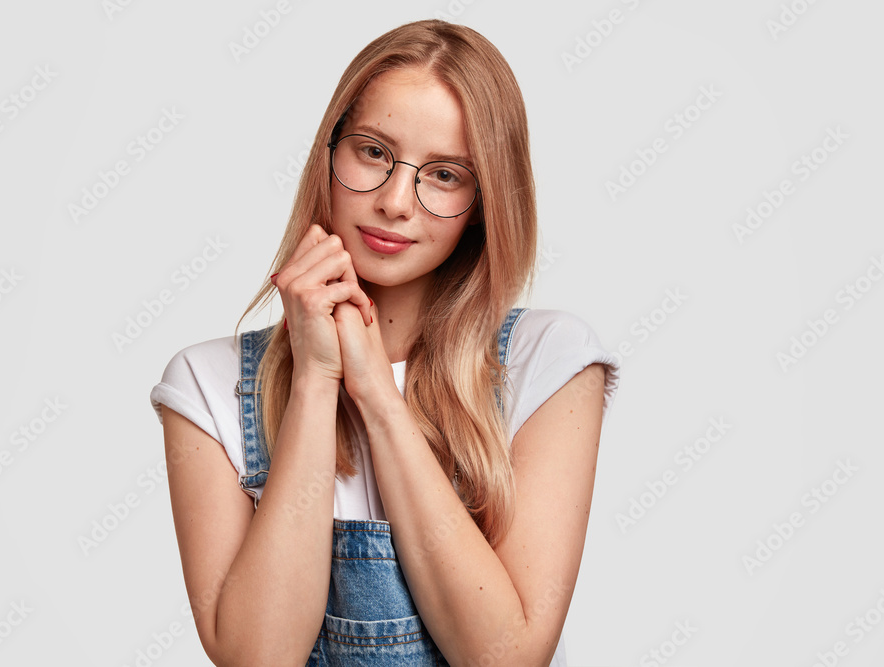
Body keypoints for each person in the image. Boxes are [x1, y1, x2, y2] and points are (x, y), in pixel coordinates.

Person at [150, 19, 620, 666]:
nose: (397, 201)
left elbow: (505, 656)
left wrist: (376, 392)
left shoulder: (549, 362)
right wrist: (317, 378)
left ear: (484, 202)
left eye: (446, 174)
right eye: (373, 152)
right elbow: (259, 657)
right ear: (330, 153)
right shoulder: (209, 387)